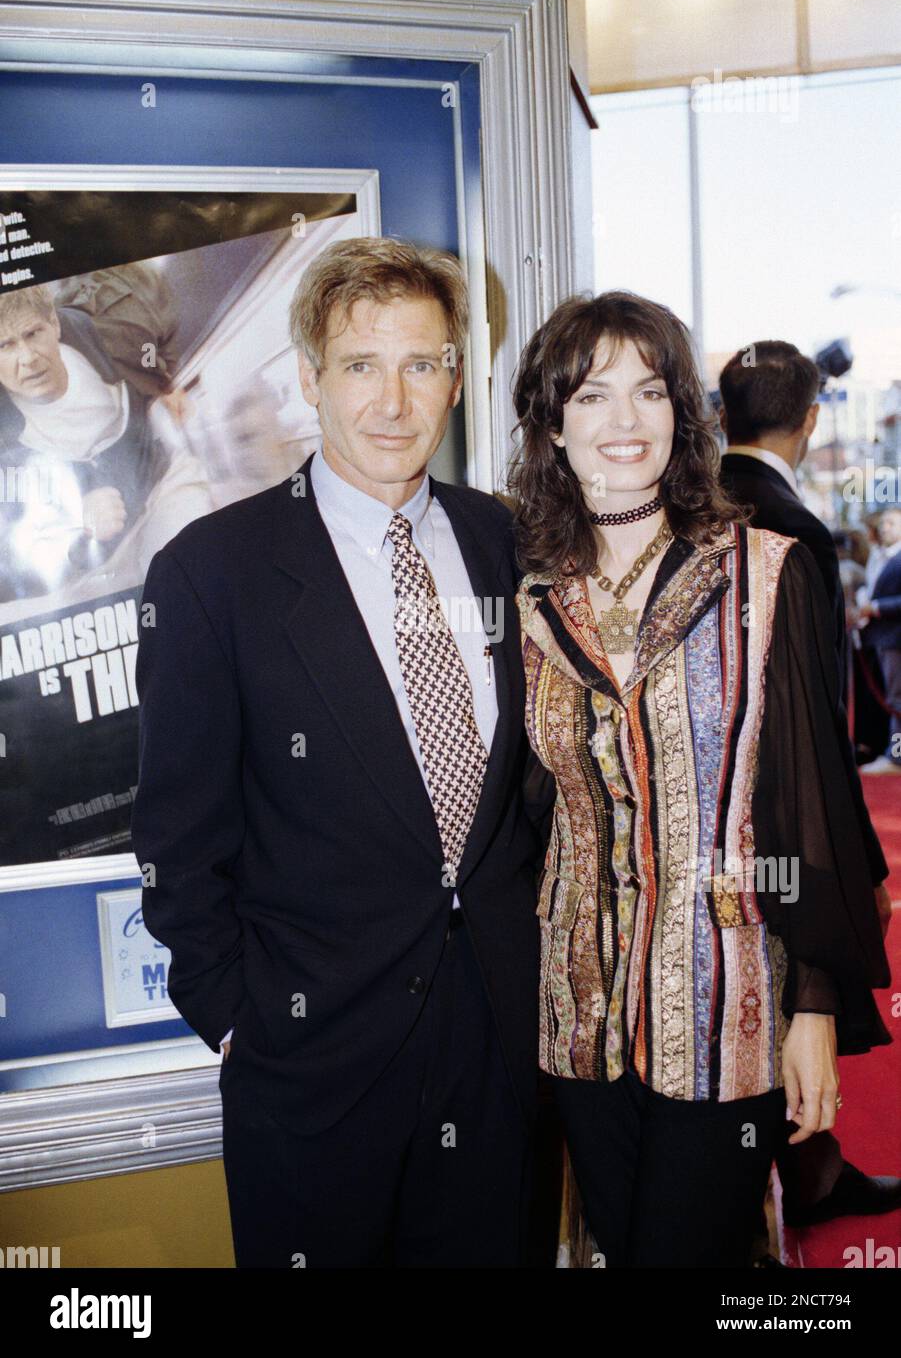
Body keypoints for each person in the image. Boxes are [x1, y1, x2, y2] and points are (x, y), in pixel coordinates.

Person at [133, 236, 541, 1268]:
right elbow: (179, 844)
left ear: (456, 377)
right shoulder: (212, 576)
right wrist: (238, 1021)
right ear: (310, 380)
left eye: (421, 363)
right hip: (310, 1064)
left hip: (502, 1053)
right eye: (360, 365)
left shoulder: (514, 546)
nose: (392, 401)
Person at [509, 291, 892, 1268]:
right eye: (592, 395)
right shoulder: (526, 597)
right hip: (578, 1010)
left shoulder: (764, 576)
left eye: (649, 391)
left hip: (730, 998)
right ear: (554, 422)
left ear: (683, 413)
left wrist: (812, 1004)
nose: (624, 420)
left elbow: (809, 813)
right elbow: (523, 815)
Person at [718, 341, 899, 1231]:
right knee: (795, 993)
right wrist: (859, 855)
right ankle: (806, 1179)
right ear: (810, 419)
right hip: (786, 820)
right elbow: (819, 718)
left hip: (699, 824)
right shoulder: (796, 527)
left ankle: (792, 1177)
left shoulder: (691, 505)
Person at [0, 285, 211, 620]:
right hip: (101, 560)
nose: (27, 358)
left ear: (53, 323)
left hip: (162, 483)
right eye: (5, 346)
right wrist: (77, 535)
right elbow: (8, 573)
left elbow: (149, 332)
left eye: (33, 333)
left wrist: (165, 382)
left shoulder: (94, 330)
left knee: (194, 590)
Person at [857, 506, 901, 773]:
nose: (885, 528)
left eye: (892, 523)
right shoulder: (881, 557)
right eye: (883, 523)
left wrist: (875, 608)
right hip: (882, 638)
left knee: (897, 700)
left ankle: (896, 757)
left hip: (896, 638)